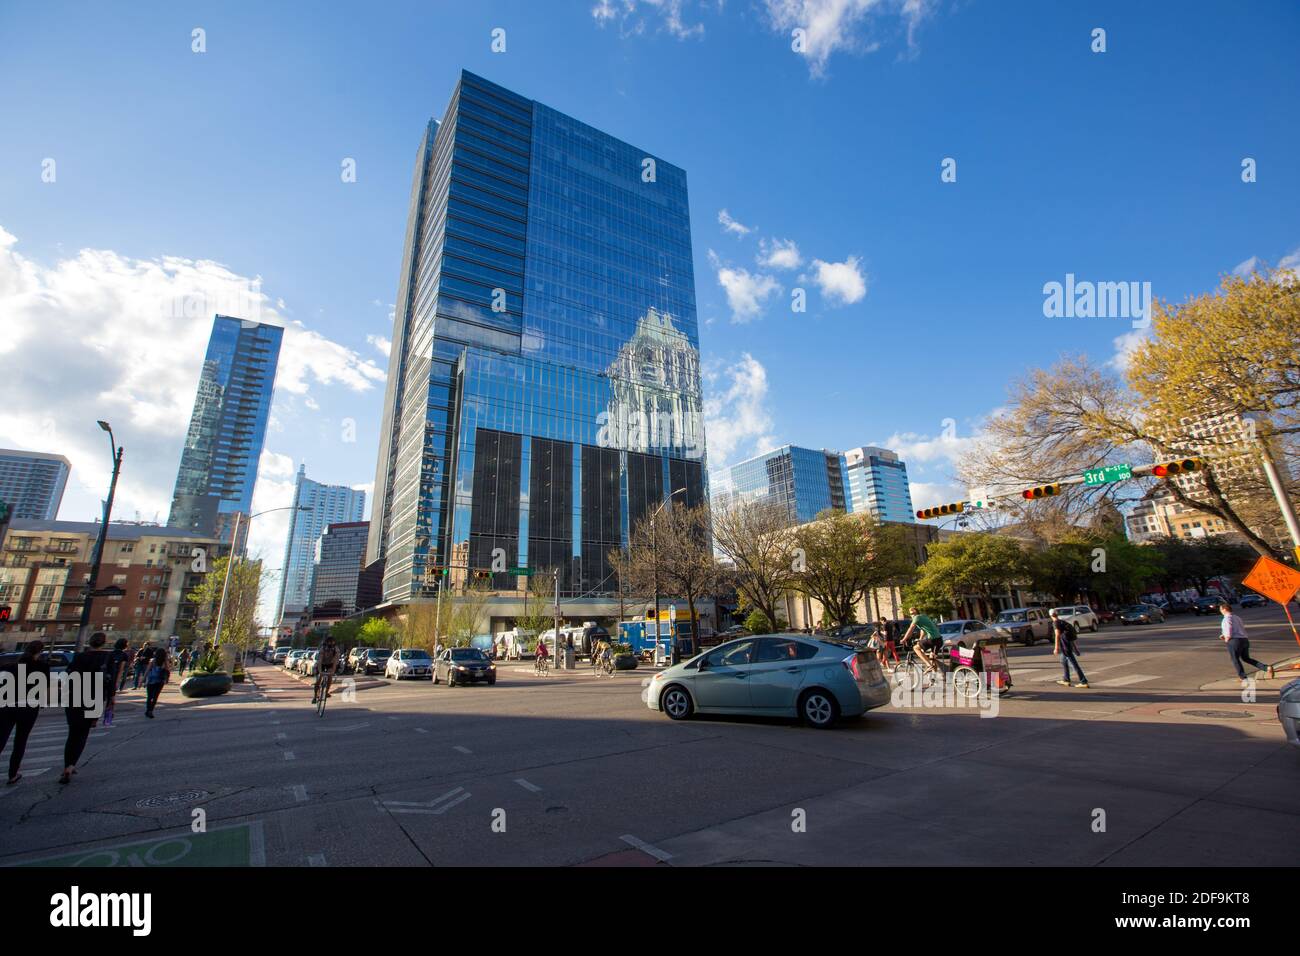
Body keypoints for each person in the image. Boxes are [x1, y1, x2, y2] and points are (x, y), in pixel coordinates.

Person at [61, 632, 113, 784]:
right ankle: (71, 765)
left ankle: (67, 765)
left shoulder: (79, 656)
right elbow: (110, 678)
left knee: (72, 734)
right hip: (95, 696)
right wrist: (111, 698)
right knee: (83, 733)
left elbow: (68, 675)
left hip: (75, 696)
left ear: (90, 642)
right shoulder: (106, 657)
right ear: (104, 643)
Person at [1, 641, 48, 785]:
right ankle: (13, 774)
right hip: (28, 708)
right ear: (40, 652)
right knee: (20, 741)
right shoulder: (42, 667)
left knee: (1, 738)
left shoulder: (10, 666)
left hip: (7, 705)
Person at [1219, 602, 1273, 681]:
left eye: (1221, 609)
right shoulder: (1237, 617)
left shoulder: (1226, 618)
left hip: (1235, 641)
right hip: (1244, 639)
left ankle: (1243, 677)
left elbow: (1229, 629)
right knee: (1246, 658)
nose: (1220, 611)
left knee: (1235, 659)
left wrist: (1226, 638)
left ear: (1224, 609)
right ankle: (1266, 667)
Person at [1050, 608, 1089, 688]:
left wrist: (1056, 647)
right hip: (1068, 645)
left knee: (1074, 664)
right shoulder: (1063, 622)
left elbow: (1057, 635)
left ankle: (1083, 681)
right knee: (1063, 661)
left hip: (1065, 646)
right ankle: (1066, 680)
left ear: (1051, 615)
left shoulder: (1055, 623)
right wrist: (1075, 648)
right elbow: (1069, 637)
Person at [901, 606, 943, 671]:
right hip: (939, 639)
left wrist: (904, 639)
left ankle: (928, 665)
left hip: (932, 639)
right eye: (910, 614)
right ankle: (935, 677)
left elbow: (911, 628)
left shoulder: (916, 617)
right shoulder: (923, 616)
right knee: (932, 658)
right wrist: (920, 639)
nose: (911, 615)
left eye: (912, 614)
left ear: (916, 613)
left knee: (915, 648)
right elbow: (923, 630)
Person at [143, 648, 171, 718]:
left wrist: (143, 680)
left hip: (151, 680)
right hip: (160, 680)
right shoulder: (165, 662)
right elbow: (168, 671)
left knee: (149, 696)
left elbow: (147, 670)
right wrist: (167, 679)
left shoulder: (152, 661)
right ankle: (150, 711)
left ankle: (148, 710)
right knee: (155, 696)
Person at [312, 636, 340, 705]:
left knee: (330, 676)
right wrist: (320, 671)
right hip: (322, 663)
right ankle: (315, 697)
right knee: (318, 679)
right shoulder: (323, 649)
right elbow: (320, 661)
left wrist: (332, 671)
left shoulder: (336, 649)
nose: (330, 645)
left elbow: (335, 661)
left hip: (330, 664)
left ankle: (327, 692)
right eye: (329, 642)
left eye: (332, 643)